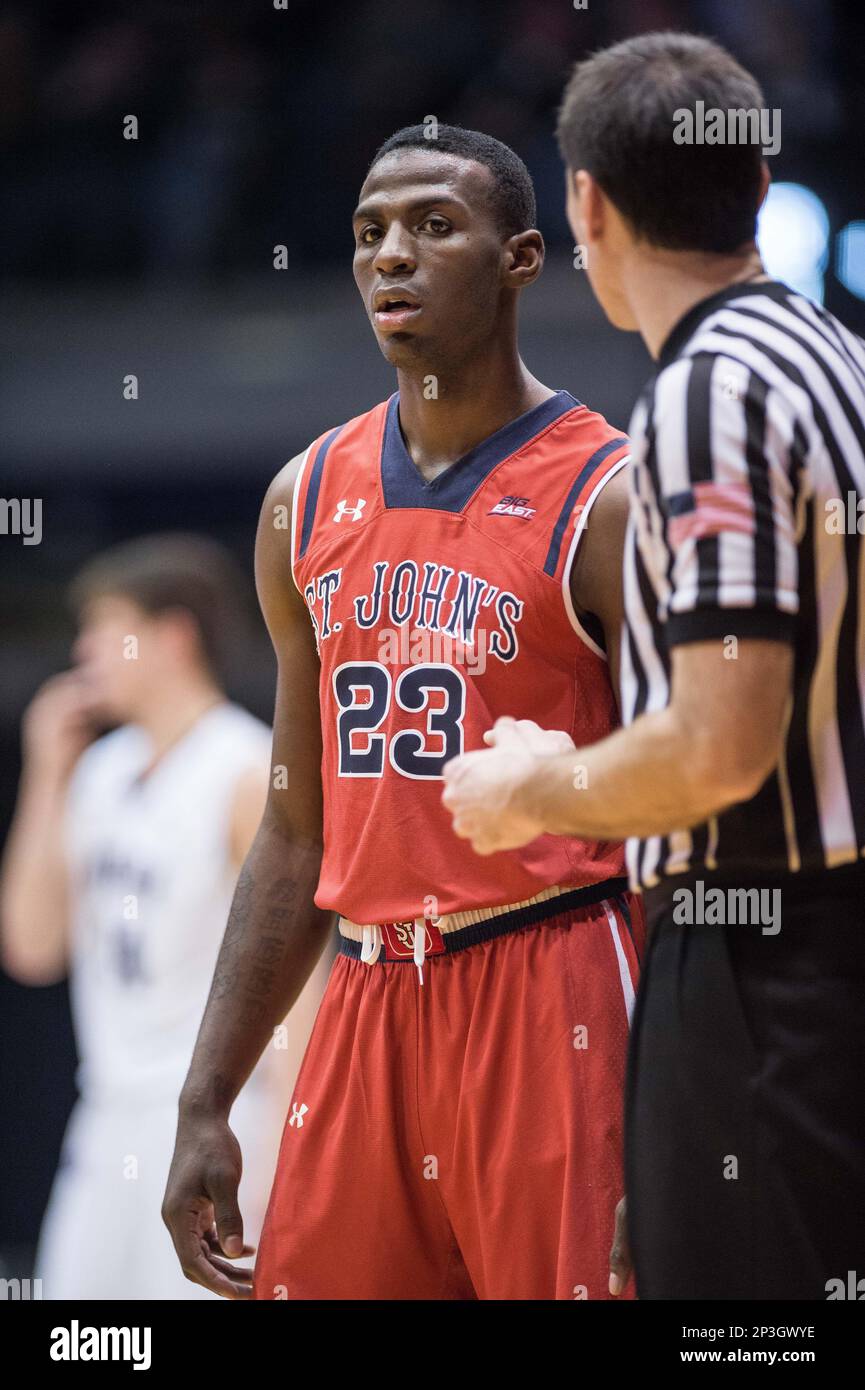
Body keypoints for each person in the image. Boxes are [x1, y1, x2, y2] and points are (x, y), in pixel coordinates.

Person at [162, 125, 643, 1302]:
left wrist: (679, 1110)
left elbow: (697, 828)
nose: (392, 257)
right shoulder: (304, 496)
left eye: (434, 227)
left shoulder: (612, 498)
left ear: (522, 255)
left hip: (556, 975)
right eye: (372, 233)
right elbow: (293, 830)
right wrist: (205, 1096)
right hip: (369, 991)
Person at [441, 33, 865, 1300]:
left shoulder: (706, 396)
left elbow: (714, 746)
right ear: (756, 176)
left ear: (584, 203)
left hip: (764, 961)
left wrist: (533, 792)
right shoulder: (833, 358)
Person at [0, 533, 331, 1300]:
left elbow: (296, 984)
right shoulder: (101, 771)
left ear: (172, 636)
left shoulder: (245, 771)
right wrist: (47, 773)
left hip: (213, 1119)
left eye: (104, 630)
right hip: (106, 1116)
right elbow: (31, 946)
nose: (85, 652)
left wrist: (288, 1147)